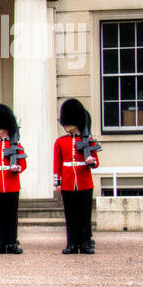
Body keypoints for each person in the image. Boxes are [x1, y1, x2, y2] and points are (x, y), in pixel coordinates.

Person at [55, 97, 101, 255]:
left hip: (84, 182)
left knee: (84, 216)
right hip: (68, 182)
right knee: (71, 216)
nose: (67, 127)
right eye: (66, 124)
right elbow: (57, 163)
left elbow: (96, 162)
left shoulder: (88, 140)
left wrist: (91, 161)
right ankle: (72, 244)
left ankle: (86, 243)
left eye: (70, 124)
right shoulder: (60, 142)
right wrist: (58, 182)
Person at [0, 103, 26, 254]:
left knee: (11, 216)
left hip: (12, 184)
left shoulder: (16, 144)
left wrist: (17, 168)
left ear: (6, 128)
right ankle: (0, 243)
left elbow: (23, 163)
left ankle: (12, 243)